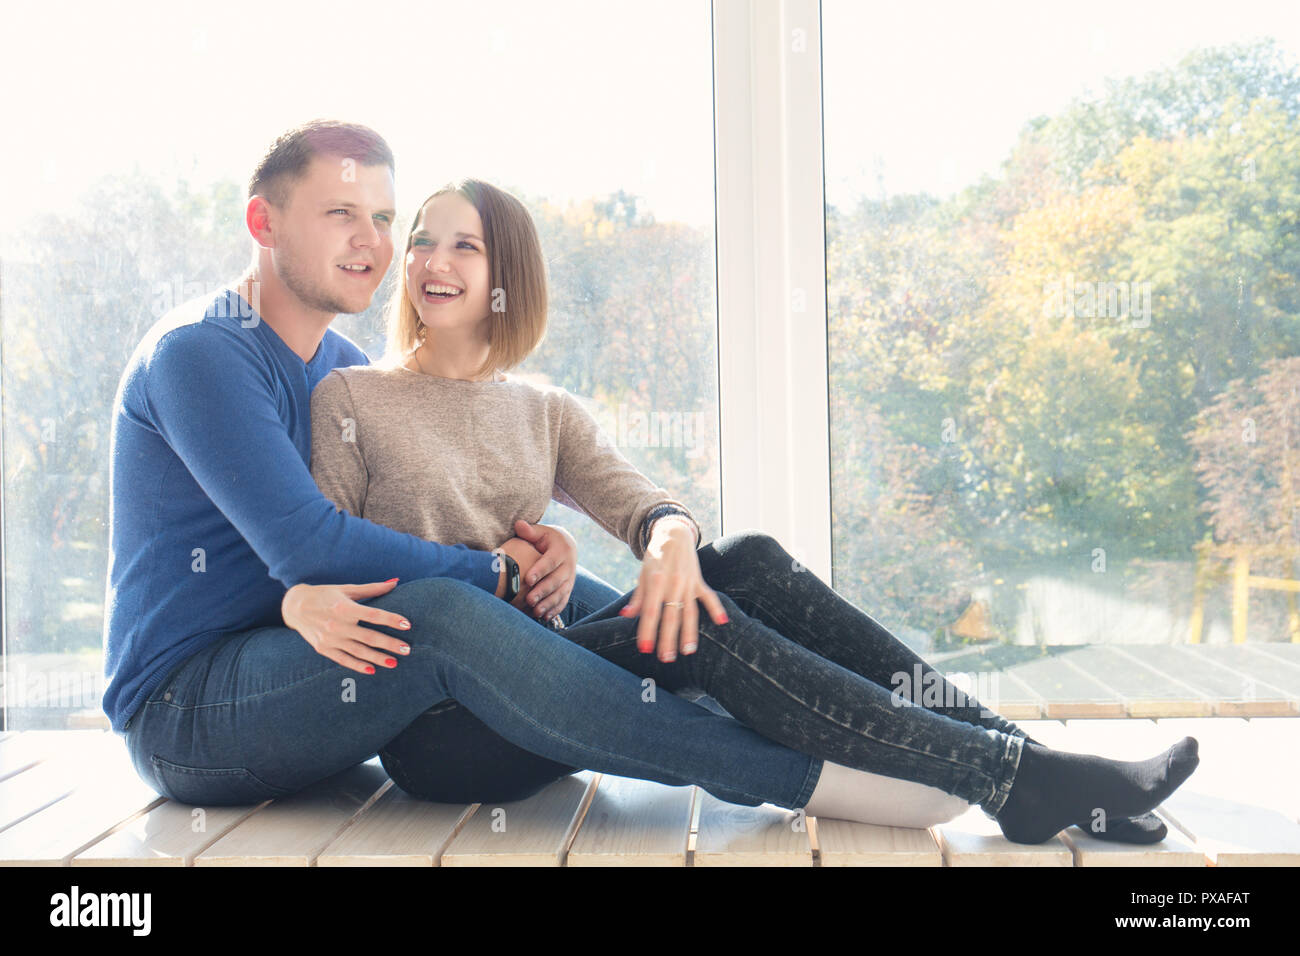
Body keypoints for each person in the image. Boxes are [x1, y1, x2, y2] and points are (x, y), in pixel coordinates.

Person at [287, 171, 1199, 845]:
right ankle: (1020, 777)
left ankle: (1028, 762)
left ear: (503, 278)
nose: (429, 263)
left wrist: (674, 541)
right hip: (441, 732)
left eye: (462, 245)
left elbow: (645, 502)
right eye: (420, 240)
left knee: (745, 561)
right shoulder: (353, 400)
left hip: (545, 685)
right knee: (701, 629)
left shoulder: (545, 411)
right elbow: (328, 563)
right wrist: (500, 572)